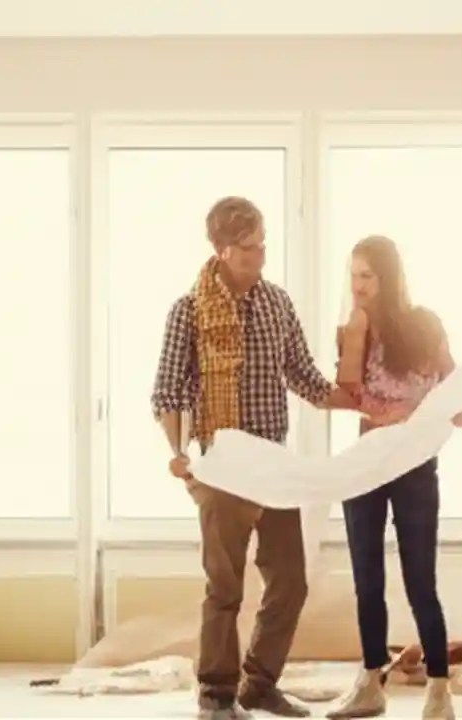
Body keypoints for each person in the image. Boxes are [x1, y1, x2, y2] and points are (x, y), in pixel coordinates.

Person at [152, 196, 357, 720]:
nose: (259, 256)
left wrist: (353, 398)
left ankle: (258, 684)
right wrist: (177, 454)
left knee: (290, 580)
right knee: (225, 587)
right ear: (221, 251)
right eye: (247, 249)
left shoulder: (277, 303)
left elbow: (304, 377)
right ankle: (216, 697)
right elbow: (167, 393)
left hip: (274, 467)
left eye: (263, 244)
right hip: (222, 466)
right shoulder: (189, 311)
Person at [326, 235, 462, 720]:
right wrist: (357, 328)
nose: (357, 285)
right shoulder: (352, 327)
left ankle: (438, 694)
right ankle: (370, 684)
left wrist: (437, 413)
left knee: (419, 582)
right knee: (367, 579)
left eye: (366, 275)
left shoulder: (425, 325)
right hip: (367, 462)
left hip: (413, 467)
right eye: (352, 275)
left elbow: (456, 394)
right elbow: (349, 395)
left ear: (388, 277)